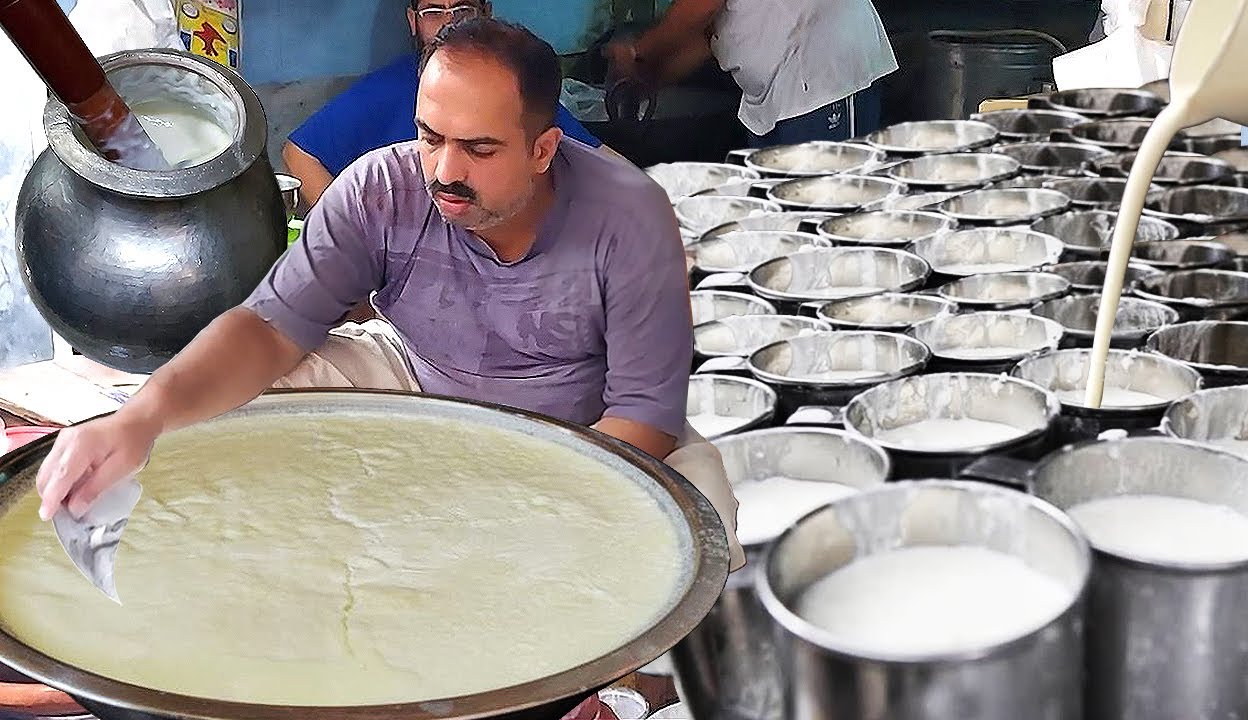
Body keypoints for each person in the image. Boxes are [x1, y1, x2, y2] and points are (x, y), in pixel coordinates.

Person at [36, 18, 743, 573]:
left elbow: (643, 420)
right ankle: (233, 554)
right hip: (420, 376)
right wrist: (143, 418)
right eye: (430, 137)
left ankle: (619, 694)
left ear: (544, 148)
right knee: (264, 384)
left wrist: (496, 501)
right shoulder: (380, 187)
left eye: (480, 149)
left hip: (581, 430)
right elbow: (265, 331)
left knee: (696, 520)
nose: (445, 171)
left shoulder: (630, 218)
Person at [283, 0, 604, 211]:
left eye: (462, 9)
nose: (450, 24)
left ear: (486, 12)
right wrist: (346, 238)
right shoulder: (390, 89)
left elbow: (604, 165)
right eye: (433, 11)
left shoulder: (511, 87)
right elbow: (299, 152)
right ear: (413, 21)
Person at [605, 0, 899, 146]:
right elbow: (707, 36)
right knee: (784, 210)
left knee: (827, 205)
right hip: (781, 87)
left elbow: (699, 8)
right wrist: (649, 79)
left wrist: (638, 53)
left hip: (823, 73)